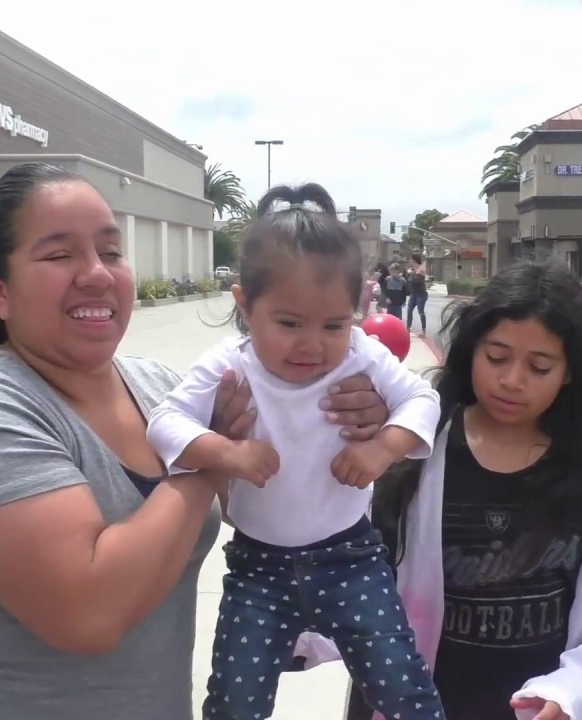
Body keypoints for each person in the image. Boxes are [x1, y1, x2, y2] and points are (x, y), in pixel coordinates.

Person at [0, 163, 391, 720]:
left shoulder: (158, 388)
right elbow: (90, 613)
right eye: (60, 255)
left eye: (110, 251)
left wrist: (333, 421)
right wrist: (210, 456)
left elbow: (255, 498)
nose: (96, 274)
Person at [146, 183, 447, 720]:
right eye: (289, 323)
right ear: (245, 304)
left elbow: (423, 400)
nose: (312, 343)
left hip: (351, 560)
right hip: (258, 569)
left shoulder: (361, 353)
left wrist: (384, 447)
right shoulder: (230, 363)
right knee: (234, 703)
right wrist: (225, 453)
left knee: (405, 690)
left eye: (333, 324)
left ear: (358, 309)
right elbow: (165, 422)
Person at [332, 261, 582, 720]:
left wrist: (575, 691)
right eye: (496, 357)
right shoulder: (410, 458)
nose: (512, 380)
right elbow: (336, 578)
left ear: (569, 371)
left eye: (539, 366)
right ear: (472, 348)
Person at [406, 253, 429, 337]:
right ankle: (408, 328)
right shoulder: (412, 269)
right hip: (414, 294)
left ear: (414, 260)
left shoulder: (421, 269)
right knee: (409, 310)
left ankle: (423, 331)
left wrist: (411, 274)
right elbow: (409, 281)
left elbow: (416, 280)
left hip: (421, 294)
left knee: (420, 311)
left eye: (411, 259)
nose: (410, 261)